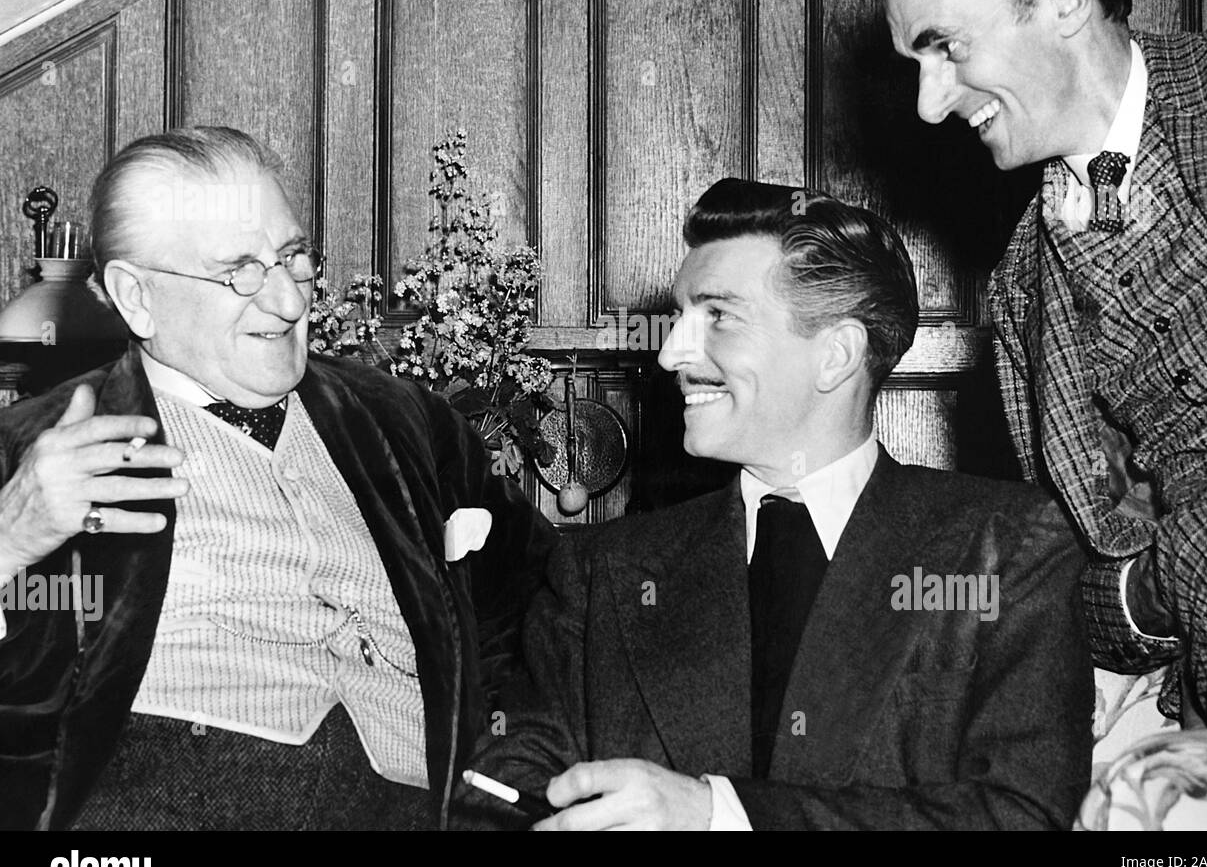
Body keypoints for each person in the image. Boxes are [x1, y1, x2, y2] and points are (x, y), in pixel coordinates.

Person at [455, 179, 1092, 830]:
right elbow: (500, 789)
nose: (672, 352)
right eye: (678, 319)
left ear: (836, 355)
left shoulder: (1008, 549)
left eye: (718, 317)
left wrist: (719, 815)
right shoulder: (600, 573)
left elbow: (1020, 815)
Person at [0, 126, 555, 830]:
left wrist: (506, 767)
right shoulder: (31, 446)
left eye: (292, 258)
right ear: (136, 296)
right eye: (239, 272)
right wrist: (9, 541)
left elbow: (548, 598)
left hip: (420, 805)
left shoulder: (396, 417)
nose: (291, 304)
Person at [884, 0, 1207, 734]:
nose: (929, 105)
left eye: (947, 48)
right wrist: (1166, 582)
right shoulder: (1022, 288)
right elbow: (1086, 586)